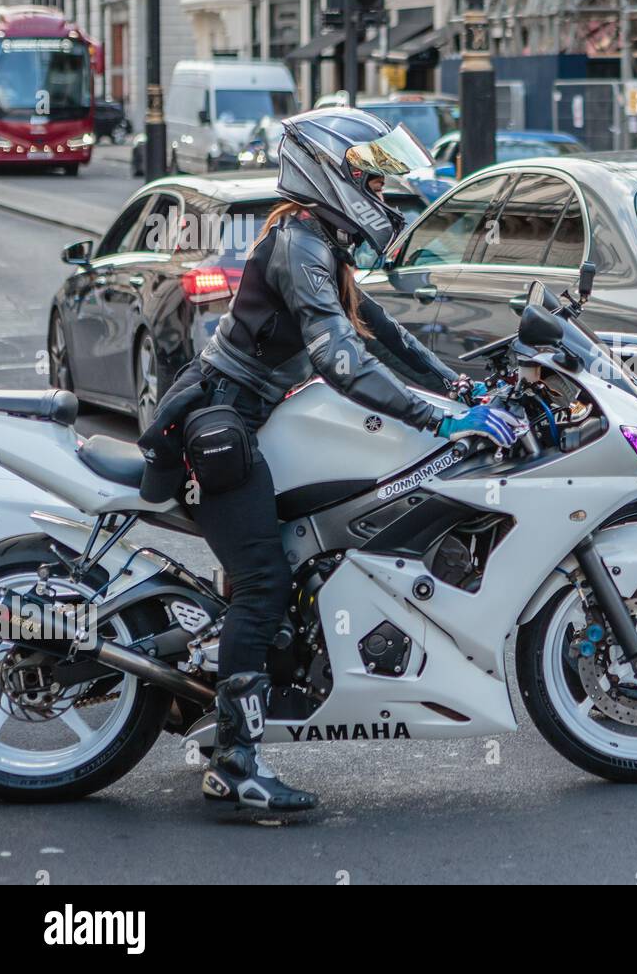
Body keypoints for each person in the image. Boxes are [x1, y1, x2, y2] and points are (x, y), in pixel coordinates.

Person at [138, 108, 520, 811]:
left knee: (282, 559)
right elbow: (341, 358)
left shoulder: (319, 242)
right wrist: (440, 415)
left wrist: (461, 386)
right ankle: (236, 761)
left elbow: (384, 334)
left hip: (252, 414)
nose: (379, 190)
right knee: (263, 581)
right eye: (368, 175)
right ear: (327, 170)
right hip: (221, 421)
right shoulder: (298, 243)